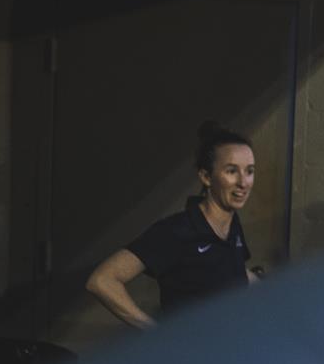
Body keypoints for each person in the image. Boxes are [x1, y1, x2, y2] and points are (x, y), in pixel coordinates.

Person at [87, 122, 258, 328]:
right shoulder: (177, 230)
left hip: (228, 353)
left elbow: (229, 271)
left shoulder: (233, 225)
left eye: (249, 171)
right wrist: (154, 331)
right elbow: (101, 281)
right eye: (231, 171)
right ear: (206, 176)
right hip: (189, 357)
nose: (243, 182)